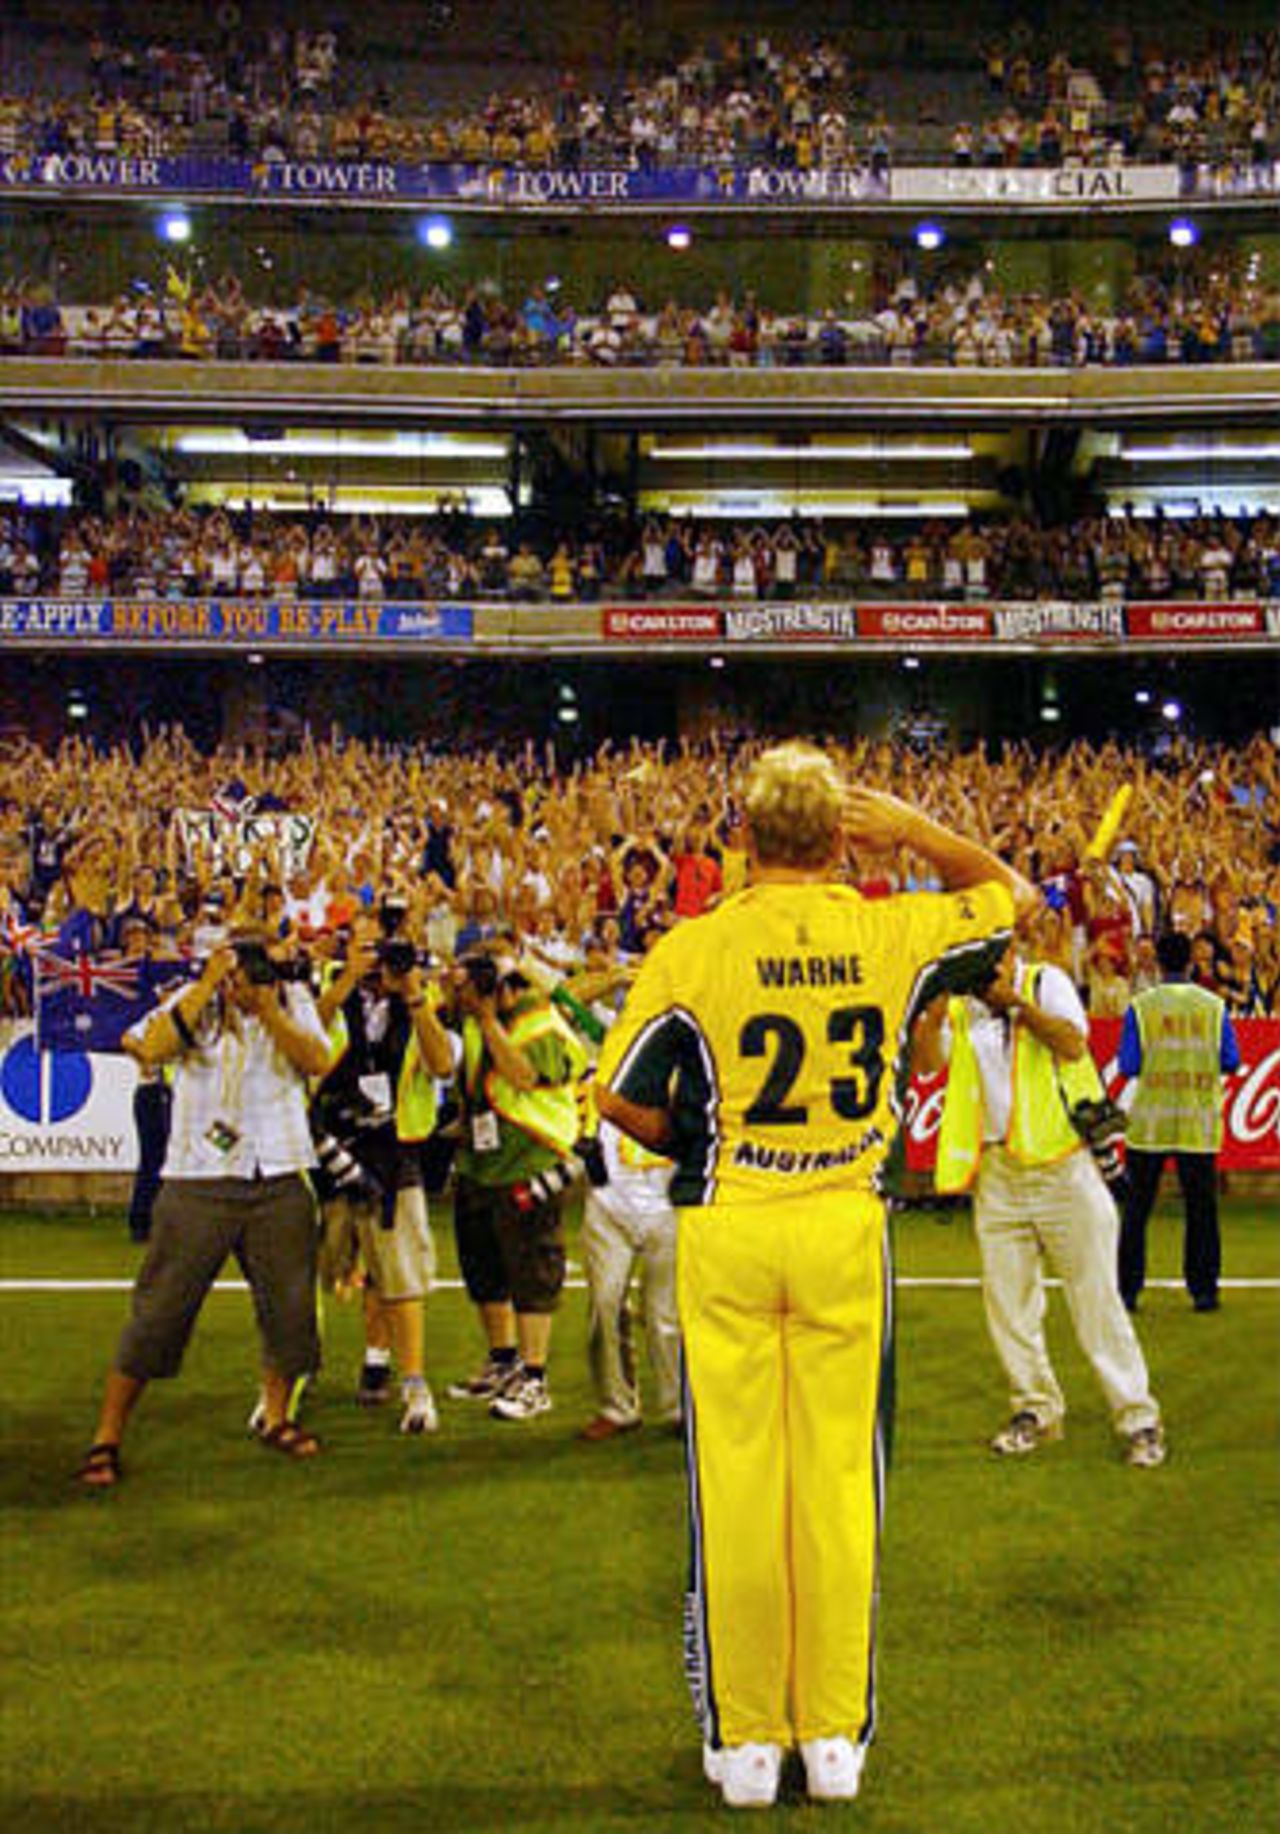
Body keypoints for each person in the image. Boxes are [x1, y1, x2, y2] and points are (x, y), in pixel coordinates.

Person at [594, 743, 1034, 1810]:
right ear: (843, 837)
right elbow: (1009, 896)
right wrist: (917, 830)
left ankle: (746, 1743)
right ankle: (830, 1735)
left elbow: (614, 1097)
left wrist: (698, 1144)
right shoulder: (888, 929)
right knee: (839, 1488)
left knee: (735, 1489)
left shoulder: (694, 947)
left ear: (740, 840)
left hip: (731, 1223)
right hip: (844, 1222)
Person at [77, 928, 332, 1488]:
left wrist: (269, 1011)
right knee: (159, 1311)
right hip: (198, 1177)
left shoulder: (292, 1002)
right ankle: (107, 1436)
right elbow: (148, 1047)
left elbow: (318, 1061)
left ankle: (277, 1415)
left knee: (289, 1311)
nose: (245, 978)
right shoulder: (193, 1003)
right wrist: (207, 985)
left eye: (253, 965)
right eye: (236, 966)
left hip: (279, 1170)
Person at [915, 935, 1165, 1467]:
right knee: (1008, 1305)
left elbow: (1074, 1044)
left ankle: (1138, 1418)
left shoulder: (1044, 982)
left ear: (1009, 954)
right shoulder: (962, 1008)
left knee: (1096, 1299)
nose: (980, 969)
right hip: (998, 1172)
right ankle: (1035, 1409)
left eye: (986, 956)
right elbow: (926, 1065)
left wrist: (1017, 1006)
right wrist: (933, 1013)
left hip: (1062, 1167)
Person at [312, 902, 456, 1433]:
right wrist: (345, 980)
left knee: (399, 1271)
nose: (375, 962)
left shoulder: (417, 994)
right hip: (333, 1146)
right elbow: (308, 1045)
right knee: (334, 1267)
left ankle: (413, 1383)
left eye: (381, 949)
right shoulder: (328, 985)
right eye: (364, 947)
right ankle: (339, 1366)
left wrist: (413, 994)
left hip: (395, 1150)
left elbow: (442, 1064)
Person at [446, 949, 588, 1422]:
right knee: (484, 1266)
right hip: (482, 1161)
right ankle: (503, 1360)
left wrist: (488, 1022)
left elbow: (523, 1077)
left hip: (530, 1158)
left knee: (532, 1269)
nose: (464, 998)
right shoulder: (476, 1018)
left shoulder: (541, 1025)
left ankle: (534, 1377)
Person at [1117, 930, 1241, 1314]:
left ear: (1156, 962)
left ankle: (1128, 1290)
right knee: (1202, 1210)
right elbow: (1231, 1061)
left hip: (1150, 1121)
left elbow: (1128, 1065)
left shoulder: (1142, 1006)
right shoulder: (1213, 1006)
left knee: (1137, 1210)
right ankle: (1204, 1290)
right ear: (1191, 962)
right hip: (1196, 1121)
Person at [578, 1114, 681, 1441]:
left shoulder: (687, 1071)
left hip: (670, 1202)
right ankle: (616, 1406)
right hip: (607, 1199)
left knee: (665, 1315)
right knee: (604, 1305)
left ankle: (678, 1405)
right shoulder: (603, 1072)